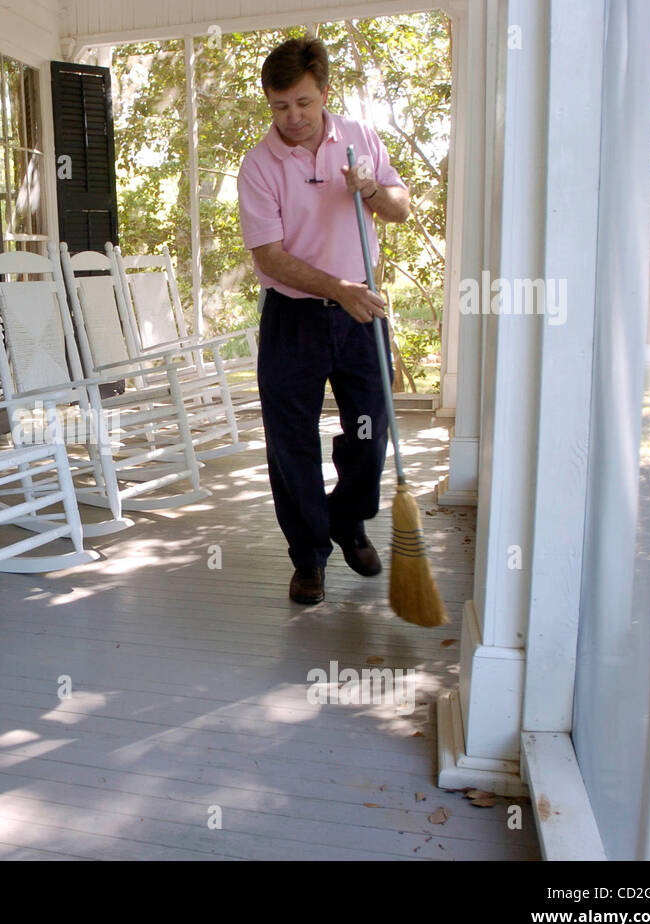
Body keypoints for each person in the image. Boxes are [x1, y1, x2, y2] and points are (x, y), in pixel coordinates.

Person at [237, 36, 411, 605]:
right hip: (294, 317)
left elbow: (400, 207)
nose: (293, 118)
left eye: (304, 104)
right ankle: (309, 555)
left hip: (362, 314)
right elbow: (270, 256)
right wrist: (339, 289)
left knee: (370, 428)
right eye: (280, 106)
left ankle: (348, 521)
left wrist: (375, 192)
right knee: (291, 441)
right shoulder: (259, 164)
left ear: (324, 93)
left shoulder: (360, 139)